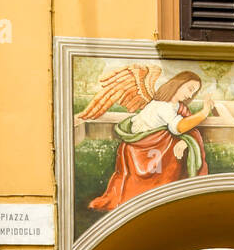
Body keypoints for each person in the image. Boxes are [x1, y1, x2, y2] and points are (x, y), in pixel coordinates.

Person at [78, 66, 211, 211]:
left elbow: (186, 129)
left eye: (194, 91)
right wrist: (204, 113)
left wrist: (185, 141)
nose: (190, 94)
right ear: (178, 84)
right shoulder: (164, 107)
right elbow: (178, 128)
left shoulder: (172, 105)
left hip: (145, 150)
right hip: (142, 151)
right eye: (189, 88)